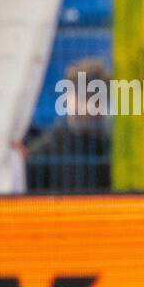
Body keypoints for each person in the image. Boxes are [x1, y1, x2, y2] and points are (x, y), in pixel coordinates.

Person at [23, 58, 113, 192]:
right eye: (79, 96)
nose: (85, 107)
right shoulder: (41, 155)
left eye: (93, 99)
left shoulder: (111, 150)